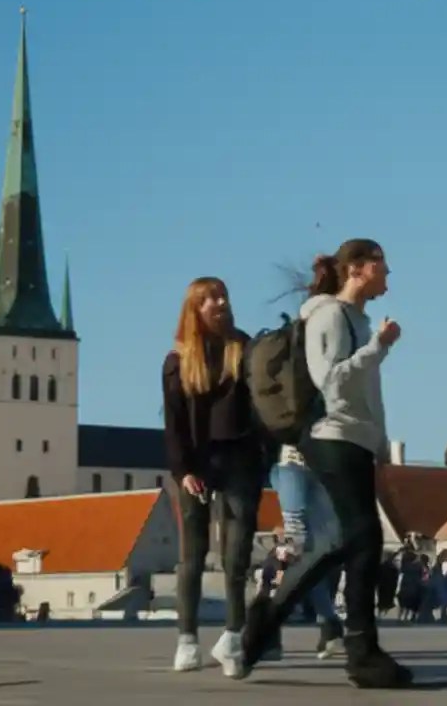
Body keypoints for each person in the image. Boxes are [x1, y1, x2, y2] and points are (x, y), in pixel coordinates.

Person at [239, 239, 411, 689]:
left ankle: (268, 619)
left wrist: (380, 443)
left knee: (343, 542)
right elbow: (330, 379)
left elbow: (367, 392)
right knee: (365, 537)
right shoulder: (330, 315)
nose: (388, 274)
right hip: (330, 435)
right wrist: (379, 346)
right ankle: (361, 651)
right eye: (382, 265)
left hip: (354, 437)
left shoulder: (359, 318)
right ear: (357, 269)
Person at [163, 277, 264, 677]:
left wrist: (263, 454)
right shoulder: (178, 359)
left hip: (240, 459)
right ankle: (187, 639)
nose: (221, 303)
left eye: (223, 296)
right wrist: (183, 470)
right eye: (211, 299)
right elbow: (173, 424)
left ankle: (233, 638)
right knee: (192, 556)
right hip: (197, 464)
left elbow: (261, 407)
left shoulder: (245, 347)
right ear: (195, 309)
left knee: (236, 556)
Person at [269, 443, 346, 659]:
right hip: (294, 463)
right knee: (299, 548)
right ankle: (329, 626)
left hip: (318, 466)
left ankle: (270, 631)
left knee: (311, 553)